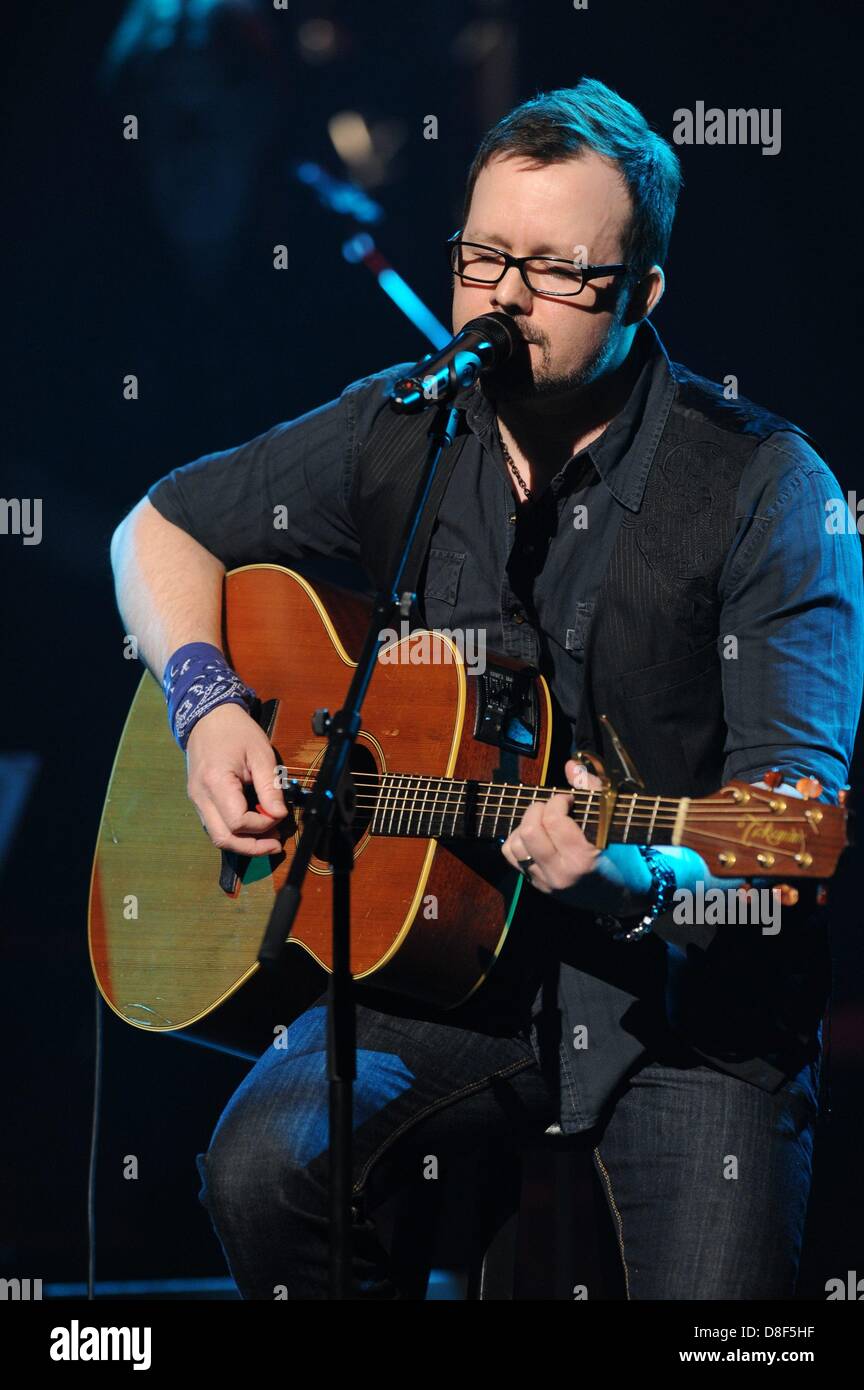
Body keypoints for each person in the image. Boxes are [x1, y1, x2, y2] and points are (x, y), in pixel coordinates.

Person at [110, 77, 863, 1299]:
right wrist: (208, 707)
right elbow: (158, 526)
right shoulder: (409, 423)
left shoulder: (770, 489)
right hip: (446, 976)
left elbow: (788, 828)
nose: (505, 298)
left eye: (557, 271)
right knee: (263, 1169)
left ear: (641, 294)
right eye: (483, 257)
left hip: (692, 1017)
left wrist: (638, 878)